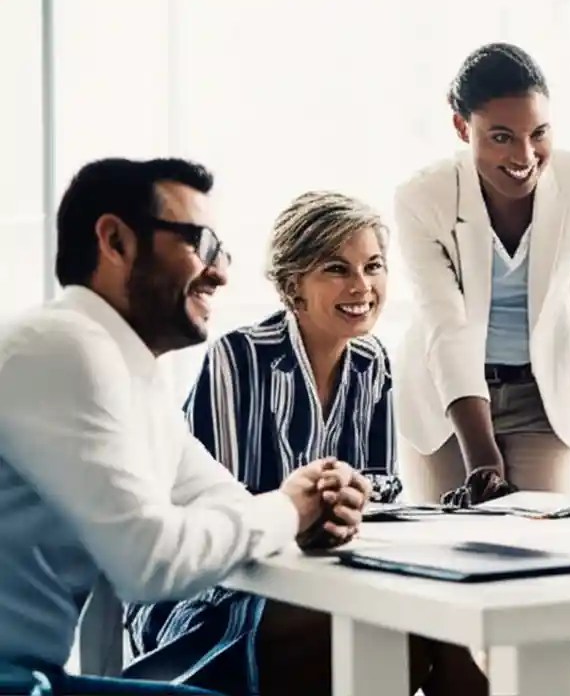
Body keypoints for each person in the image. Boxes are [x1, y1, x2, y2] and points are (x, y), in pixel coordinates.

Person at [0, 158, 367, 695]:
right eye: (199, 244)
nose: (218, 273)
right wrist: (293, 507)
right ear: (115, 241)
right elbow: (149, 563)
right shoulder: (67, 346)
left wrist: (312, 501)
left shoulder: (131, 371)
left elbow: (224, 498)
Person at [122, 192, 486, 695]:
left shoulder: (372, 362)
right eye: (337, 269)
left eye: (374, 266)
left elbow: (380, 494)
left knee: (436, 623)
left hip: (328, 581)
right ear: (294, 287)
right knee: (407, 627)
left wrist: (355, 504)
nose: (362, 286)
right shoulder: (240, 357)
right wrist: (313, 511)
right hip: (211, 596)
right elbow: (229, 513)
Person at [394, 42, 570, 506]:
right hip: (445, 403)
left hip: (546, 395)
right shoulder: (422, 196)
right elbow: (449, 326)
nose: (525, 155)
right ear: (461, 126)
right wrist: (483, 459)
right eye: (502, 136)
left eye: (540, 133)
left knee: (541, 546)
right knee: (446, 549)